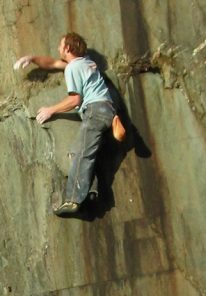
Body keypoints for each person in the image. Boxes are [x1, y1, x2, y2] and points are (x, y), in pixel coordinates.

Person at [14, 32, 125, 216]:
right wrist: (32, 58)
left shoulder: (74, 68)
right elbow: (52, 63)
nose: (58, 48)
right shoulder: (85, 62)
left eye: (60, 45)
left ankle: (72, 199)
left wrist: (51, 110)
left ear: (67, 48)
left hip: (95, 111)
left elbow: (74, 100)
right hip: (106, 111)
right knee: (83, 151)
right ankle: (90, 192)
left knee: (80, 153)